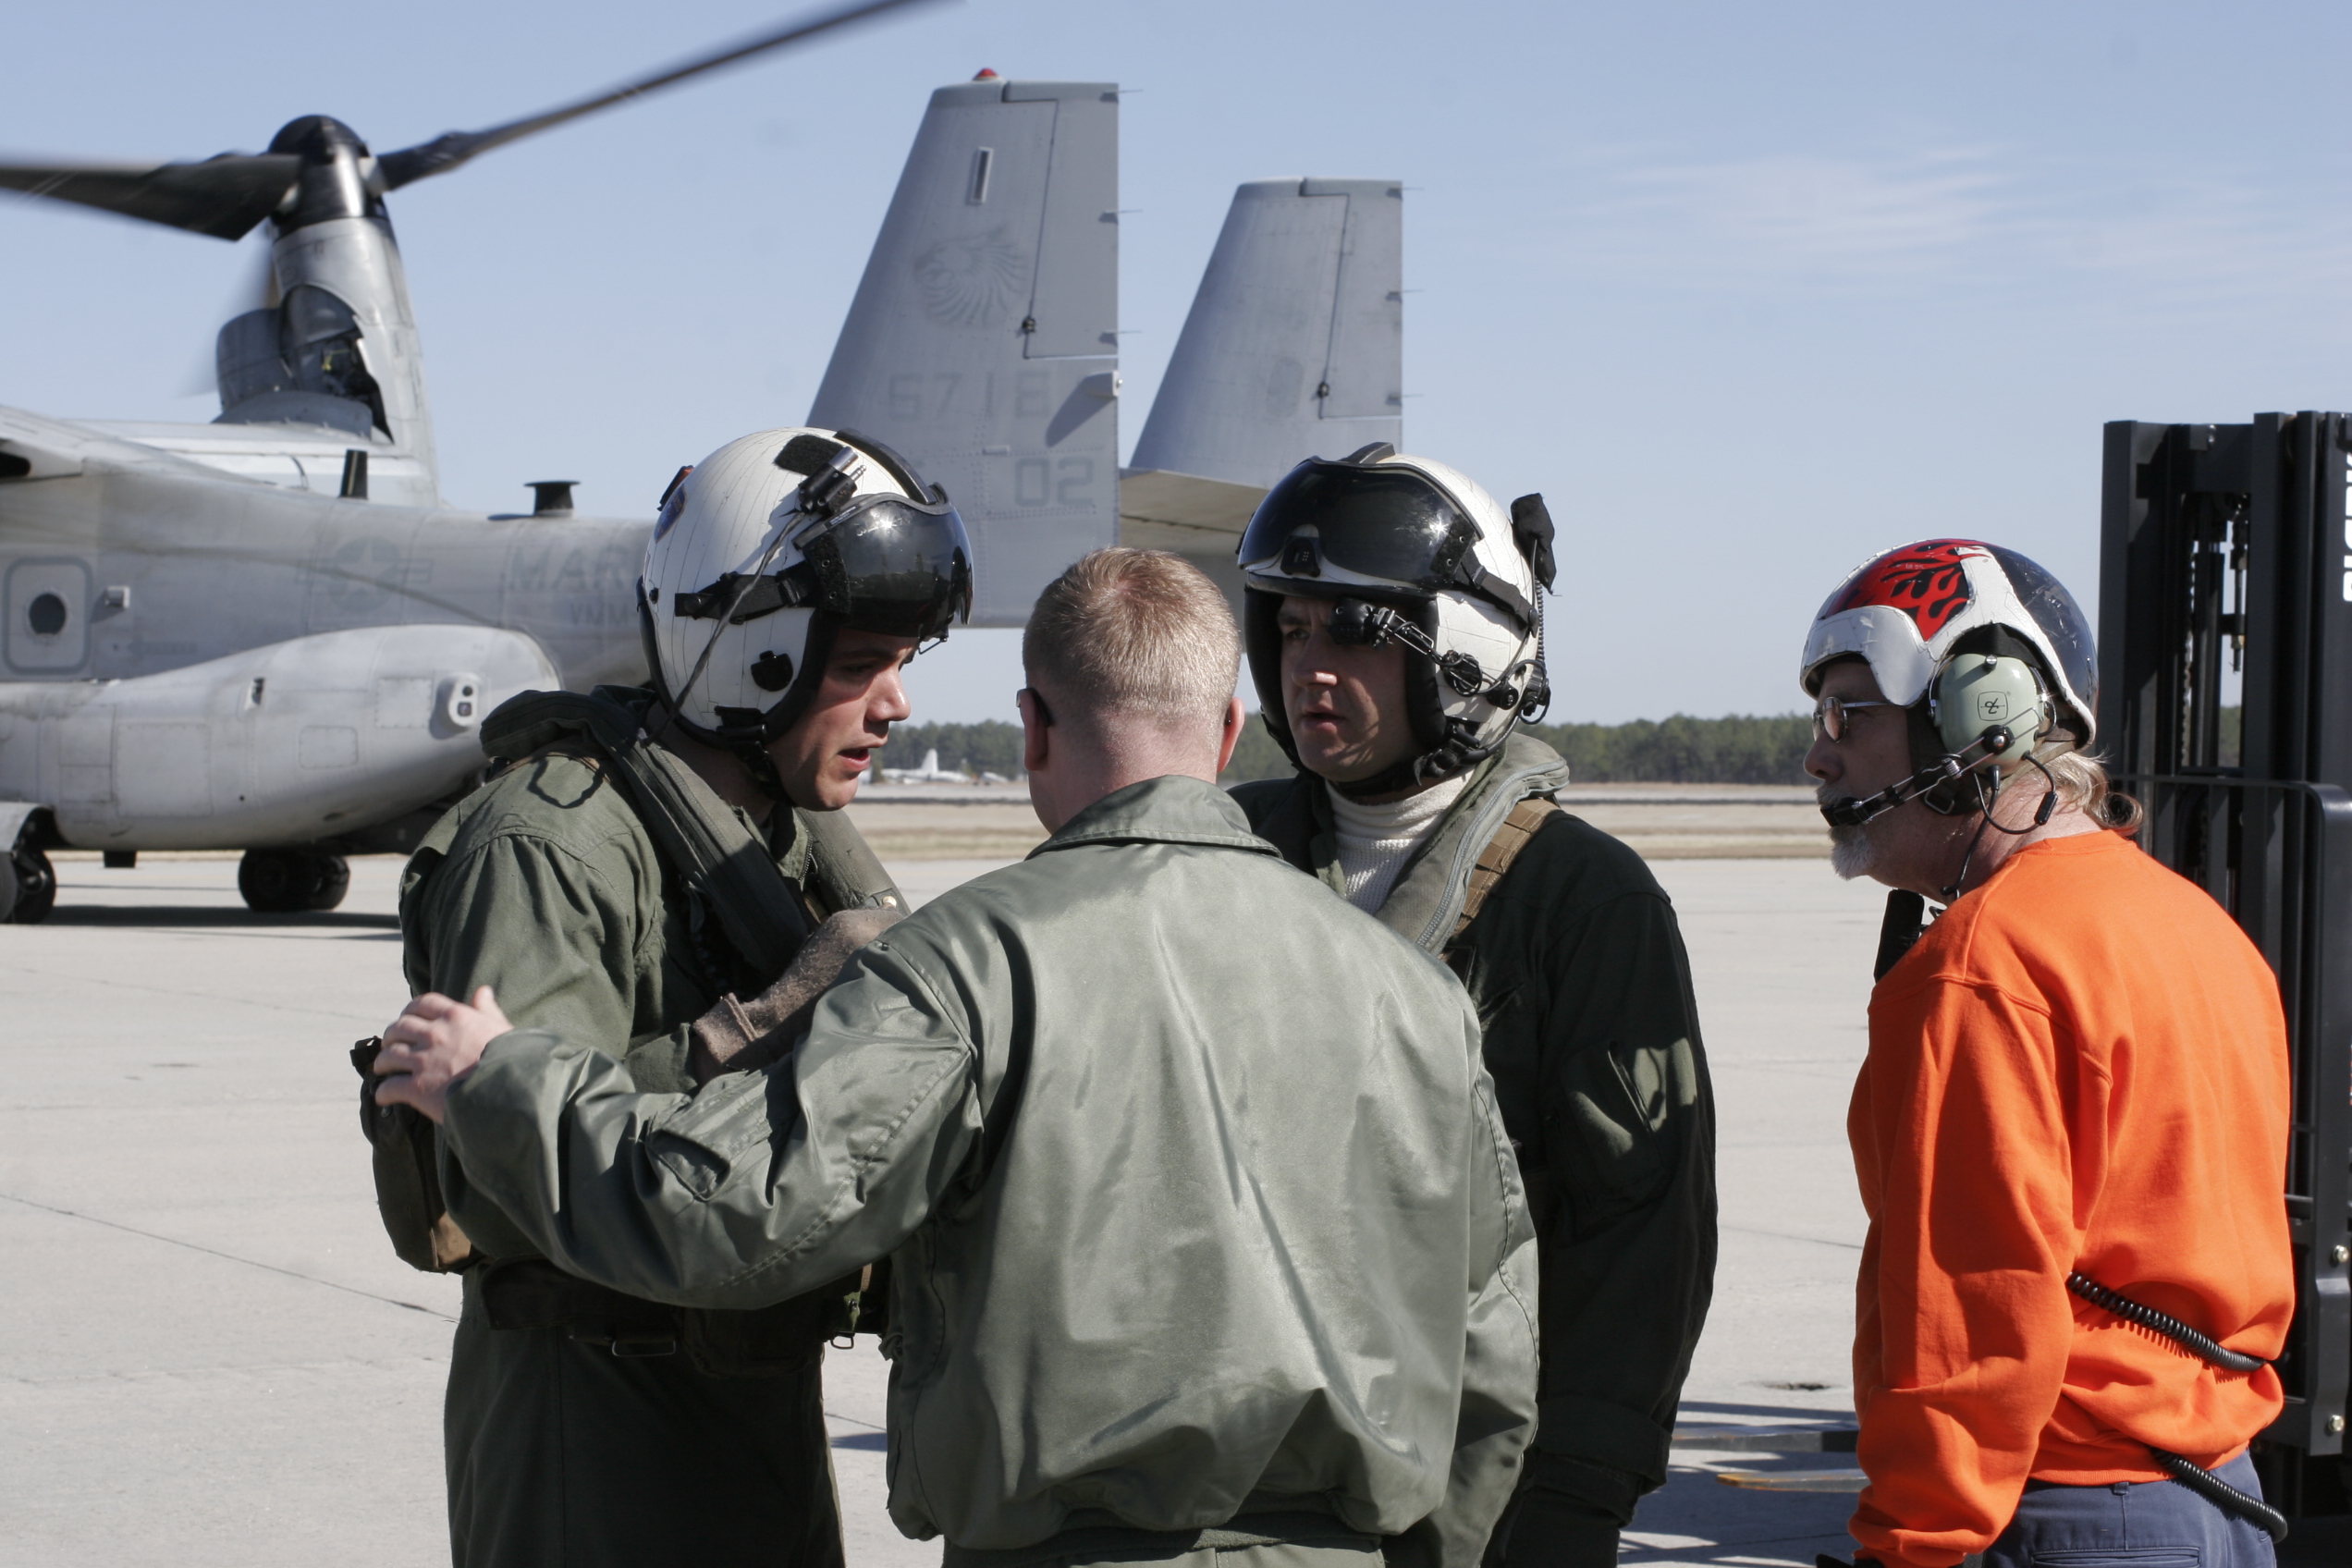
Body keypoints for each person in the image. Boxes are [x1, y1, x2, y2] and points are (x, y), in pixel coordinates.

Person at [374, 546, 1541, 1568]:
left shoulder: (970, 964)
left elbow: (737, 1210)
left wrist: (497, 1079)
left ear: (1032, 727)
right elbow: (1493, 1354)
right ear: (1230, 730)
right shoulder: (1414, 993)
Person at [392, 425, 974, 1568]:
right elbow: (496, 1184)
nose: (896, 703)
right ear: (752, 651)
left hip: (747, 1399)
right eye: (863, 663)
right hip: (596, 1427)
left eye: (903, 661)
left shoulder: (777, 843)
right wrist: (755, 1035)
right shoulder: (550, 845)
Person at [1224, 445, 1716, 1566]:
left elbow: (1639, 1235)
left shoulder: (1581, 900)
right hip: (1242, 1486)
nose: (1309, 669)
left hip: (1475, 1495)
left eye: (1352, 632)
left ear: (1466, 651)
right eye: (1291, 629)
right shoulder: (1227, 852)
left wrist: (1579, 1489)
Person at [1799, 539, 2296, 1568]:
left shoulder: (1982, 966)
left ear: (1977, 719)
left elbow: (1968, 1324)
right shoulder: (2198, 926)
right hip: (2220, 1498)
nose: (1819, 756)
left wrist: (1912, 1545)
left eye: (1850, 715)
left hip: (2072, 1514)